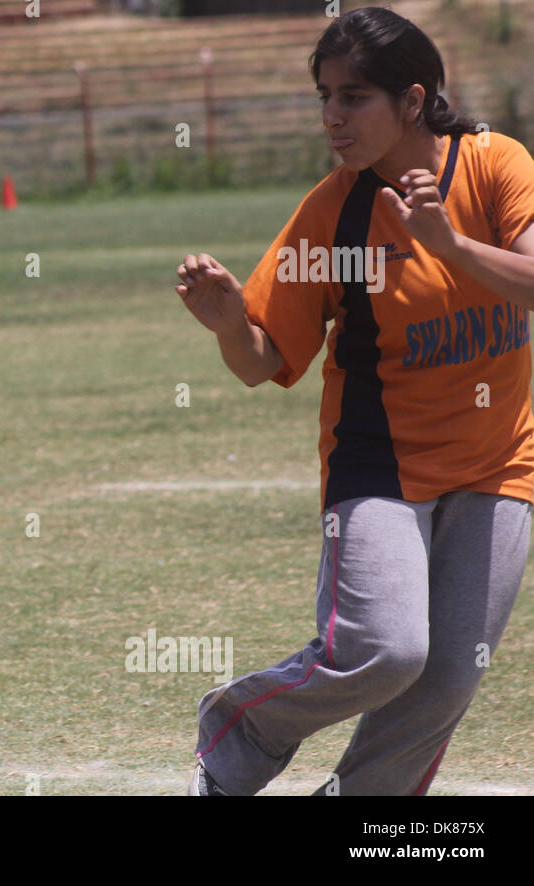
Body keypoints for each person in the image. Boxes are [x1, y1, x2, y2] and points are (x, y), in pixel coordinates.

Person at [178, 7, 534, 796]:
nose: (333, 117)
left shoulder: (494, 163)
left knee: (446, 682)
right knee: (388, 651)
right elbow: (264, 362)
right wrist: (230, 322)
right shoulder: (332, 212)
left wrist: (448, 245)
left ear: (413, 101)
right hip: (380, 462)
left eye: (354, 97)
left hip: (501, 461)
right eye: (325, 97)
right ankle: (245, 728)